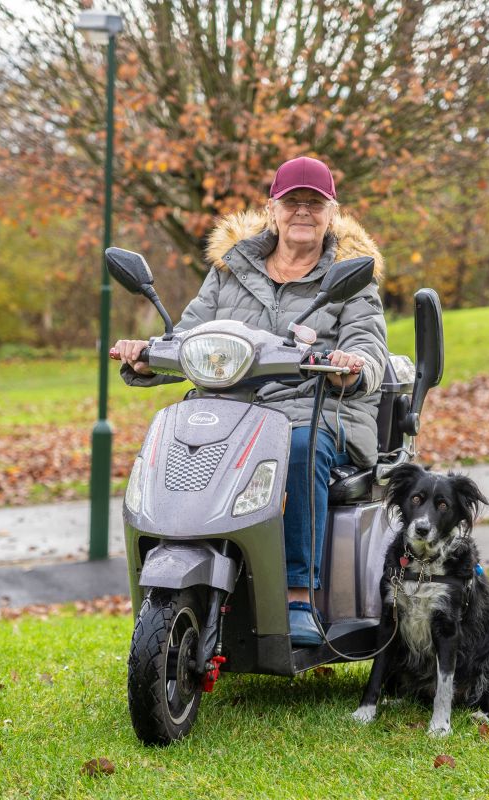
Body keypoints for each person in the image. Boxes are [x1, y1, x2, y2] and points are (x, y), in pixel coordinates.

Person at [113, 156, 389, 646]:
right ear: (271, 209)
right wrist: (147, 357)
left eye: (314, 203)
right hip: (231, 409)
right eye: (291, 201)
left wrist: (352, 365)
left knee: (299, 449)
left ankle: (299, 594)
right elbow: (189, 336)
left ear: (332, 212)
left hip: (317, 409)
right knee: (178, 440)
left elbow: (370, 349)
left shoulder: (352, 277)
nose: (302, 211)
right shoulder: (231, 270)